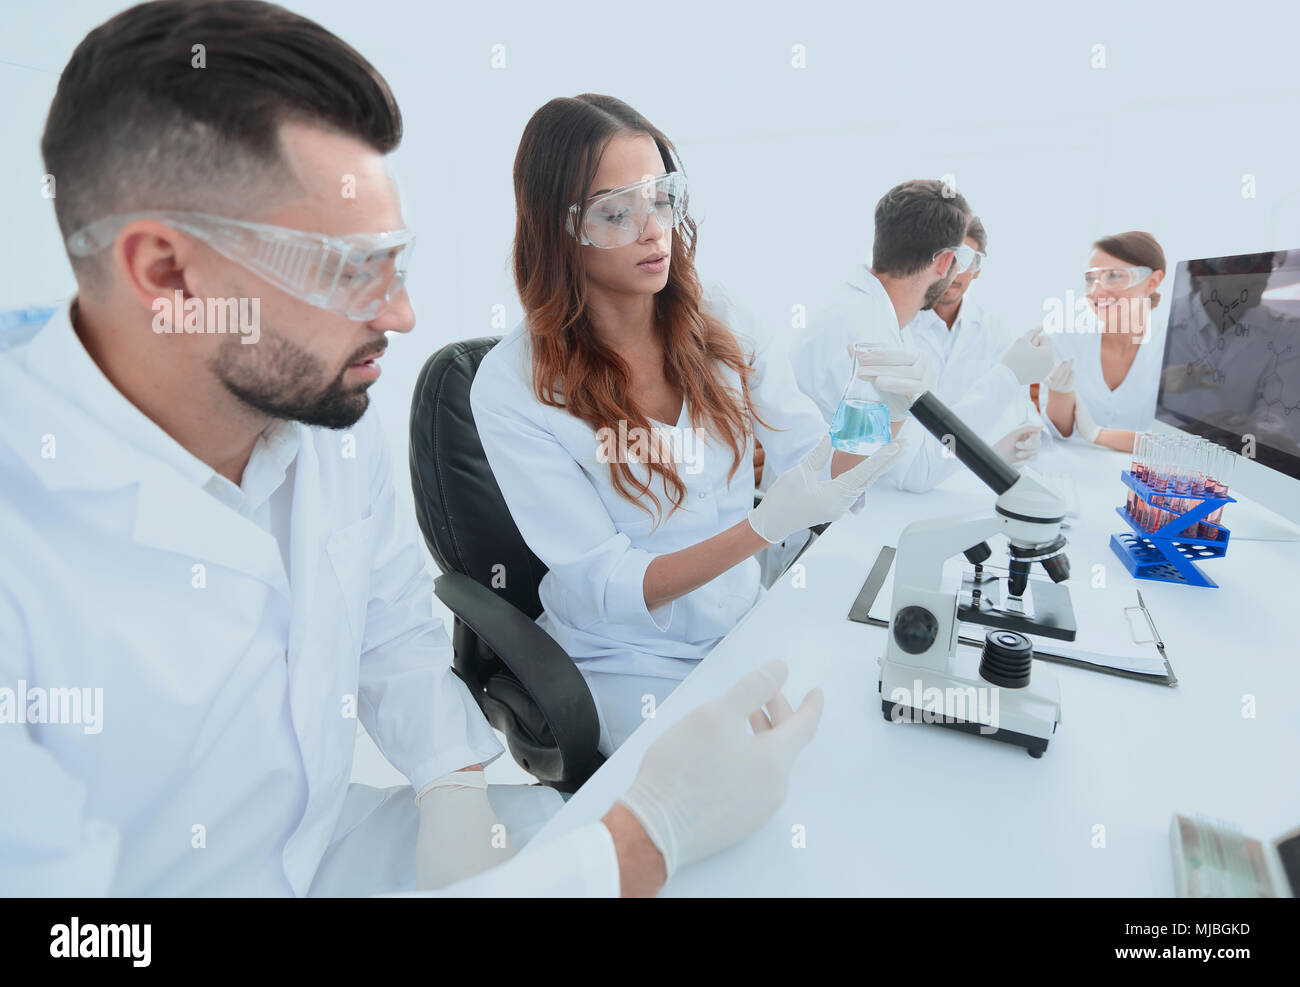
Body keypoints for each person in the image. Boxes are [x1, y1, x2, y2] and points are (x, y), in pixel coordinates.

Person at [0, 0, 819, 900]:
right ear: (166, 274)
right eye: (351, 268)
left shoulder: (316, 428)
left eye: (397, 259)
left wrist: (451, 791)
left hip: (334, 846)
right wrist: (638, 845)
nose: (400, 315)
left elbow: (391, 629)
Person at [470, 94, 907, 755]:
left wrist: (879, 407)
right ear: (559, 231)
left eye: (662, 197)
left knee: (852, 746)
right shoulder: (513, 389)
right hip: (624, 661)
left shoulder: (722, 317)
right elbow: (610, 585)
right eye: (616, 212)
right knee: (721, 794)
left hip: (741, 620)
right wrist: (761, 528)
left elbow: (816, 467)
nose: (654, 230)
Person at [791, 181, 1054, 491]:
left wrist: (991, 452)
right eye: (962, 260)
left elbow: (912, 446)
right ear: (945, 262)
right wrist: (1008, 375)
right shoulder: (870, 333)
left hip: (842, 502)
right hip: (828, 518)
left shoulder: (868, 311)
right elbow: (917, 471)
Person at [1043, 232, 1167, 453]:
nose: (1096, 291)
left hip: (1143, 479)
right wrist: (1059, 393)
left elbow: (1178, 446)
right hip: (1072, 473)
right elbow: (1059, 431)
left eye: (1114, 276)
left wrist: (1097, 435)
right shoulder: (1066, 341)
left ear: (1152, 282)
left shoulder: (1171, 349)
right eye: (1090, 279)